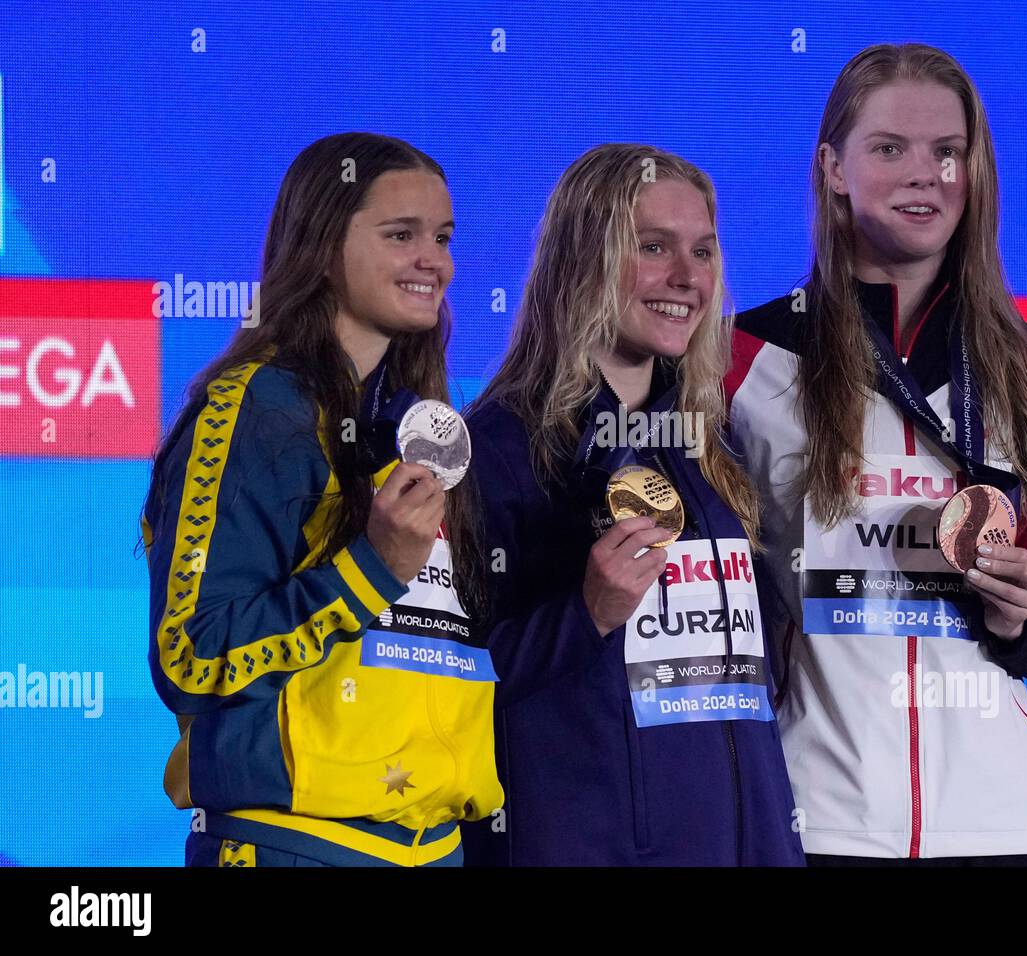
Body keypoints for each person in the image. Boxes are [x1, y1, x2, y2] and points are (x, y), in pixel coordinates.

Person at [726, 44, 1027, 865]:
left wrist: (1024, 620)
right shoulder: (741, 358)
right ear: (832, 167)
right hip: (814, 822)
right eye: (889, 148)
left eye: (949, 152)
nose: (925, 174)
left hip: (998, 829)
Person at [142, 132, 501, 867]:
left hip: (435, 848)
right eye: (401, 235)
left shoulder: (419, 422)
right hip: (293, 847)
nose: (435, 261)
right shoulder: (254, 410)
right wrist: (371, 567)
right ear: (320, 244)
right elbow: (189, 654)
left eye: (441, 237)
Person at [460, 144, 803, 866]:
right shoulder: (496, 450)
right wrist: (584, 617)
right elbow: (443, 685)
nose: (688, 278)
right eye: (653, 247)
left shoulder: (715, 449)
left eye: (704, 252)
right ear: (583, 259)